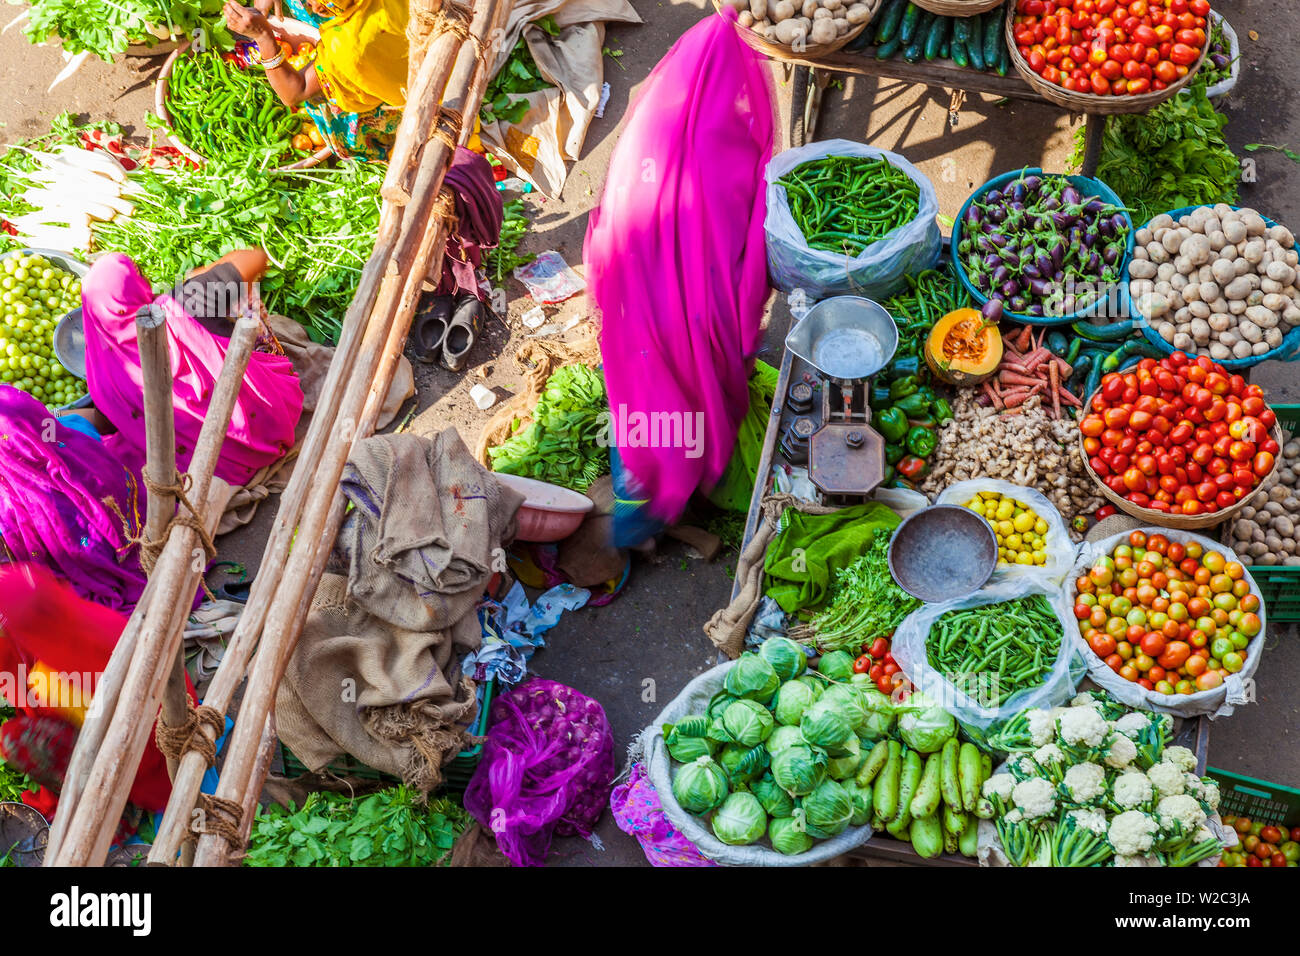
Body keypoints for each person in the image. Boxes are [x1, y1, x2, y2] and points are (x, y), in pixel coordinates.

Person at [80, 251, 304, 490]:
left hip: (210, 473)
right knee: (243, 300)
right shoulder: (185, 303)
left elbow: (105, 423)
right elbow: (256, 257)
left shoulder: (101, 373)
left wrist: (52, 418)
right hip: (273, 423)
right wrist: (202, 275)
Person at [228, 0, 408, 160]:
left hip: (406, 80)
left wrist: (263, 36)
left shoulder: (349, 47)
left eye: (316, 4)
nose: (309, 6)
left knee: (329, 102)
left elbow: (295, 92)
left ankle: (380, 142)